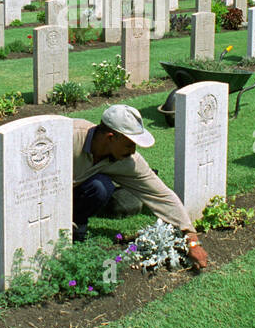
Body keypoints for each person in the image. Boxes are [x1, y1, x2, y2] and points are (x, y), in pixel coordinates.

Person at [71, 104, 208, 268]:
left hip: (79, 189)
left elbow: (161, 195)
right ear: (110, 137)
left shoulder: (129, 160)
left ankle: (77, 224)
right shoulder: (69, 136)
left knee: (101, 187)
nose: (133, 150)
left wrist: (192, 241)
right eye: (129, 144)